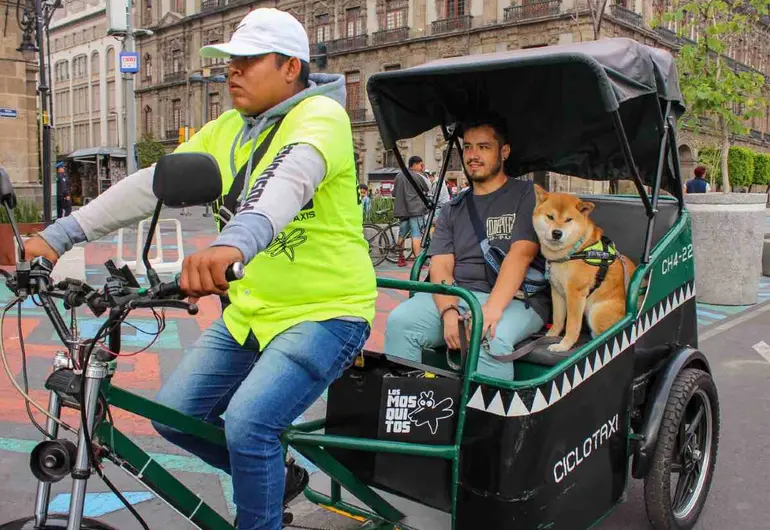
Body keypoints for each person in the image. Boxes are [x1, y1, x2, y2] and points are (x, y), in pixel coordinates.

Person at [23, 8, 376, 530]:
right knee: (177, 416)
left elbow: (284, 182)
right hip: (251, 314)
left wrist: (232, 245)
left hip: (325, 313)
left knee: (251, 423)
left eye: (248, 61)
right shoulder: (227, 130)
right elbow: (151, 183)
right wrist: (58, 236)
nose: (231, 72)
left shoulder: (320, 119)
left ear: (290, 67)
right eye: (229, 62)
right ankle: (276, 478)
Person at [384, 116, 548, 381]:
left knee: (490, 340)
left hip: (517, 299)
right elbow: (441, 265)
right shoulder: (452, 208)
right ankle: (414, 410)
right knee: (401, 323)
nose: (473, 155)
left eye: (484, 147)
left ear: (503, 152)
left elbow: (522, 254)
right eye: (468, 147)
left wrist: (491, 309)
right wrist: (449, 311)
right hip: (460, 295)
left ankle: (484, 420)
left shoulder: (527, 194)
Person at [392, 155, 429, 267]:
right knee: (416, 234)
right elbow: (427, 188)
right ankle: (418, 262)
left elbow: (394, 193)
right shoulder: (417, 176)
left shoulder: (398, 176)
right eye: (421, 165)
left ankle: (401, 258)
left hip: (402, 211)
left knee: (402, 234)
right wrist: (423, 174)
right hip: (415, 210)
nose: (422, 167)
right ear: (416, 164)